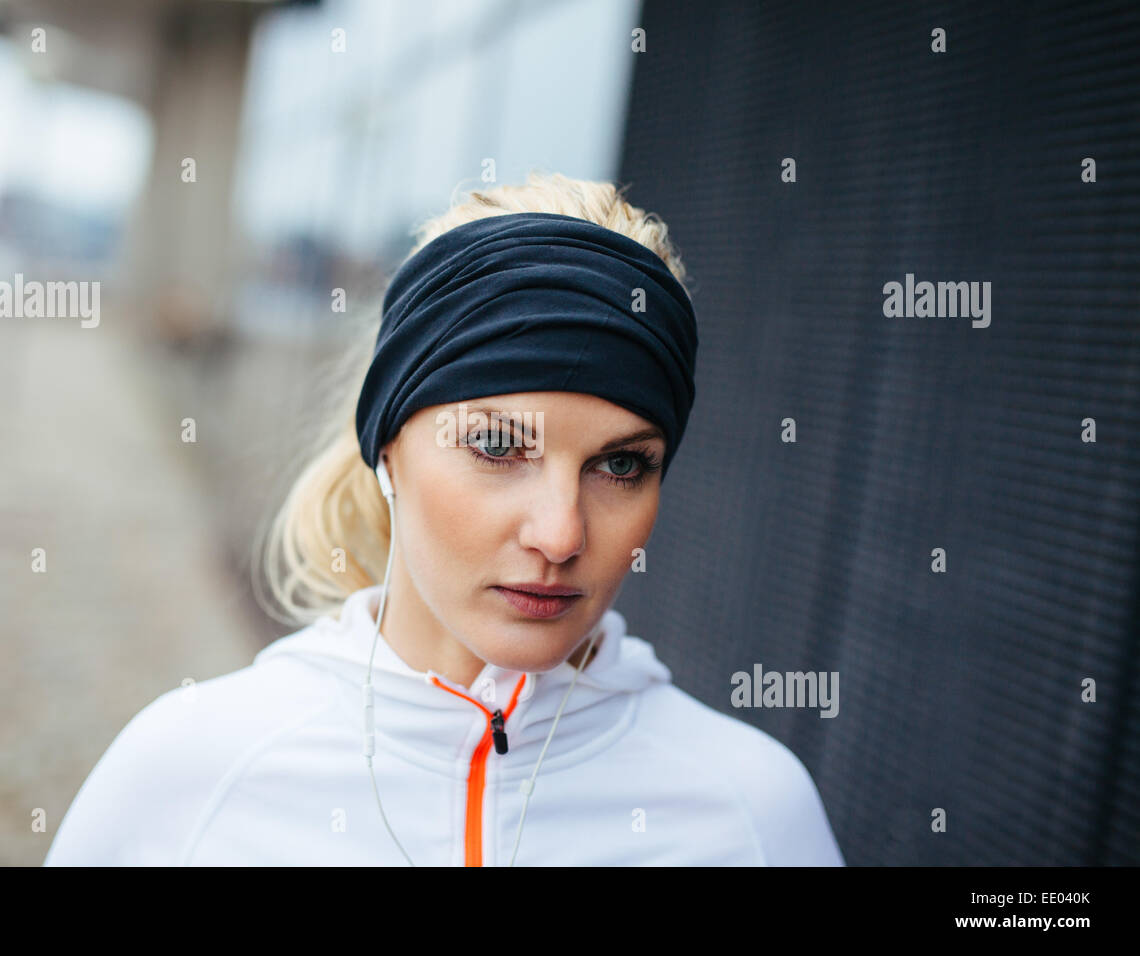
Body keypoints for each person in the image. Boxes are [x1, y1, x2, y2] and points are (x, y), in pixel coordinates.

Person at [44, 172, 845, 867]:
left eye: (621, 464)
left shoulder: (750, 814)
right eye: (499, 447)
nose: (561, 534)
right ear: (388, 448)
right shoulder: (191, 770)